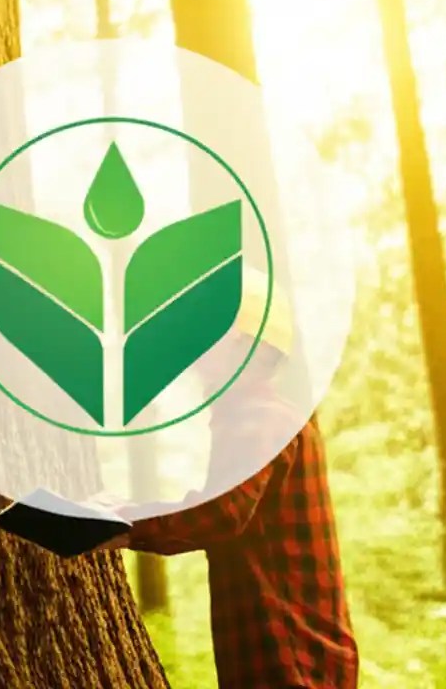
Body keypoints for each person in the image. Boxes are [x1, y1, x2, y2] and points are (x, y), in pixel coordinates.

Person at [100, 268, 359, 689]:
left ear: (247, 346)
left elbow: (222, 513)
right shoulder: (260, 418)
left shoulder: (259, 419)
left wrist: (123, 524)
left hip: (290, 664)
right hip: (286, 661)